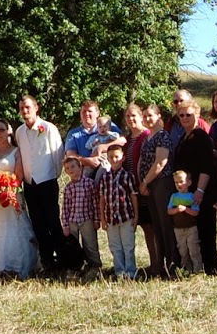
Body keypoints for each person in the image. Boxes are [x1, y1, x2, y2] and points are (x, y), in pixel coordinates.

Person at [0, 119, 39, 279]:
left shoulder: (16, 152)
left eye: (2, 130)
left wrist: (8, 189)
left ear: (8, 131)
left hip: (12, 196)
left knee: (14, 230)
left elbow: (18, 176)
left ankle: (14, 267)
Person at [13, 94, 68, 272]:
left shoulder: (49, 128)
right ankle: (46, 261)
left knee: (53, 221)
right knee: (38, 224)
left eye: (28, 107)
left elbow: (58, 155)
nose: (24, 111)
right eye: (22, 108)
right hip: (30, 184)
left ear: (36, 108)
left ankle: (63, 259)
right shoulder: (19, 131)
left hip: (47, 180)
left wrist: (52, 176)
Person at [168, 95, 217, 273]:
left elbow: (207, 166)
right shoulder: (184, 137)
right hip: (188, 192)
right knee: (195, 233)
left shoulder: (201, 136)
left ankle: (212, 268)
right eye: (181, 116)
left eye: (188, 114)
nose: (184, 118)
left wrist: (199, 190)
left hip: (201, 191)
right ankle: (196, 268)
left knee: (206, 230)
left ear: (197, 114)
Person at [138, 101, 178, 278]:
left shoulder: (162, 136)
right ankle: (159, 266)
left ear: (158, 117)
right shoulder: (147, 137)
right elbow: (142, 160)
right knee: (156, 226)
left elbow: (161, 162)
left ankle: (172, 265)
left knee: (165, 224)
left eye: (150, 115)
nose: (147, 118)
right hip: (149, 185)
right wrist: (143, 182)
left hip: (161, 182)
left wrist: (145, 181)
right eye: (145, 116)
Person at [98, 142, 139, 281]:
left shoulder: (128, 176)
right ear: (108, 159)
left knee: (128, 245)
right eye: (111, 157)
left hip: (126, 215)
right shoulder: (105, 178)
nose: (114, 160)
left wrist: (136, 215)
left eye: (117, 157)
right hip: (111, 217)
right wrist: (102, 218)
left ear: (122, 158)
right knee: (115, 246)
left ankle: (131, 272)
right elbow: (102, 199)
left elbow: (133, 196)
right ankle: (119, 271)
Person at [59, 155, 101, 276]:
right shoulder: (68, 188)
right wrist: (65, 225)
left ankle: (95, 266)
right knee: (73, 245)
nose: (70, 169)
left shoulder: (89, 183)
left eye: (73, 166)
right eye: (67, 168)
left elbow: (95, 203)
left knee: (90, 243)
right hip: (72, 220)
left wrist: (96, 219)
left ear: (80, 167)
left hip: (86, 219)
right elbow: (65, 208)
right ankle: (75, 266)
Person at [166, 170, 201, 273]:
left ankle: (198, 270)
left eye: (181, 181)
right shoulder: (174, 196)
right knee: (183, 251)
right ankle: (187, 270)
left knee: (193, 249)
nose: (179, 184)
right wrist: (176, 210)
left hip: (191, 228)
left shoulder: (192, 196)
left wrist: (186, 209)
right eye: (176, 182)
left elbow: (195, 212)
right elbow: (169, 211)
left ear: (189, 182)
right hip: (178, 228)